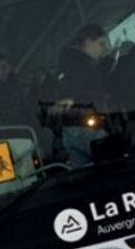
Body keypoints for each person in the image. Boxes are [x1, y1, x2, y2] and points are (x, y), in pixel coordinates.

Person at [49, 23, 114, 165]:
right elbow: (86, 94)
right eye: (101, 44)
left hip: (70, 130)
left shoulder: (67, 64)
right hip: (89, 127)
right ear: (89, 41)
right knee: (114, 168)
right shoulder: (82, 65)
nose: (105, 49)